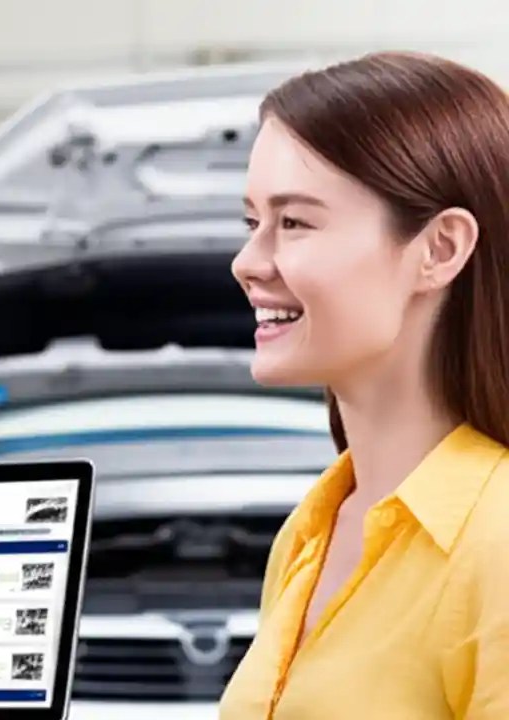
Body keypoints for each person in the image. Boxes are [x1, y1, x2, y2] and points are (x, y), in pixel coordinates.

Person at [219, 51, 509, 718]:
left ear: (439, 250)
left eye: (293, 222)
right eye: (250, 223)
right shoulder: (309, 533)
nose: (247, 262)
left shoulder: (497, 543)